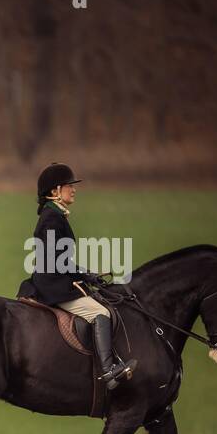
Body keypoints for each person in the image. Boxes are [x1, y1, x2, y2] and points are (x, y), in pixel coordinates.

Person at [21, 164, 136, 387]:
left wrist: (86, 274)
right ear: (54, 192)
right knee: (101, 313)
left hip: (56, 279)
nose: (73, 190)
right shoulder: (52, 219)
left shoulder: (55, 215)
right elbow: (57, 262)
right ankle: (108, 371)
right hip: (52, 286)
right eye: (68, 186)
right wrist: (84, 275)